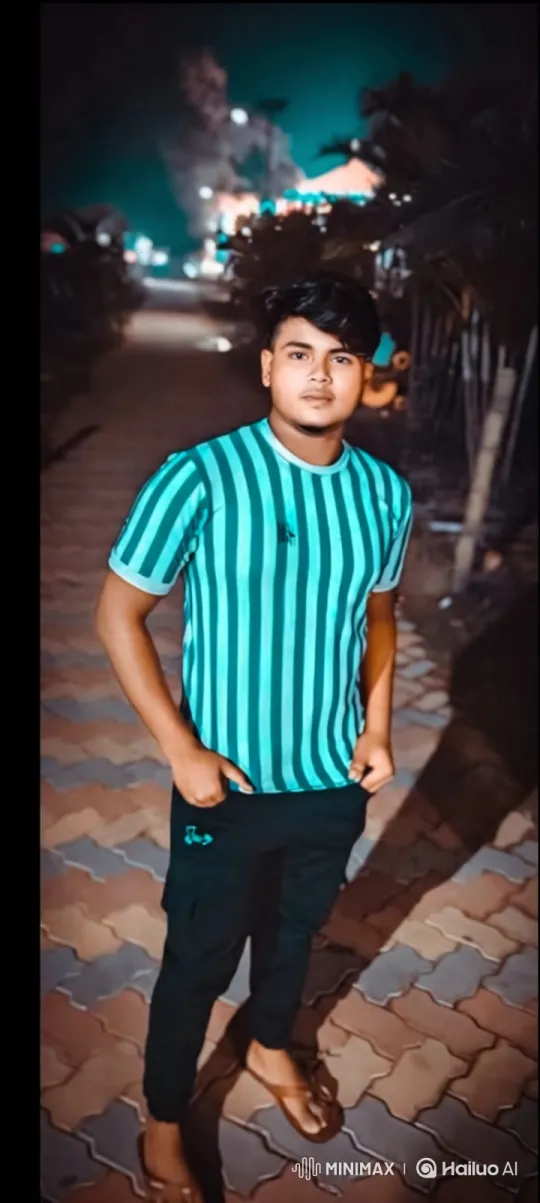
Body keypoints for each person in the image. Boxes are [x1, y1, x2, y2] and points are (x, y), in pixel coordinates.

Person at [96, 274, 412, 1200]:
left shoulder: (384, 494)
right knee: (197, 954)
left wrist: (379, 727)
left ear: (367, 376)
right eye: (302, 354)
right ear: (269, 364)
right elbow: (120, 613)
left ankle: (272, 1045)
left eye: (342, 358)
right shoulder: (197, 475)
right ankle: (162, 1117)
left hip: (329, 778)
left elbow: (380, 615)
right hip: (222, 787)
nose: (320, 376)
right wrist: (180, 748)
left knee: (295, 929)